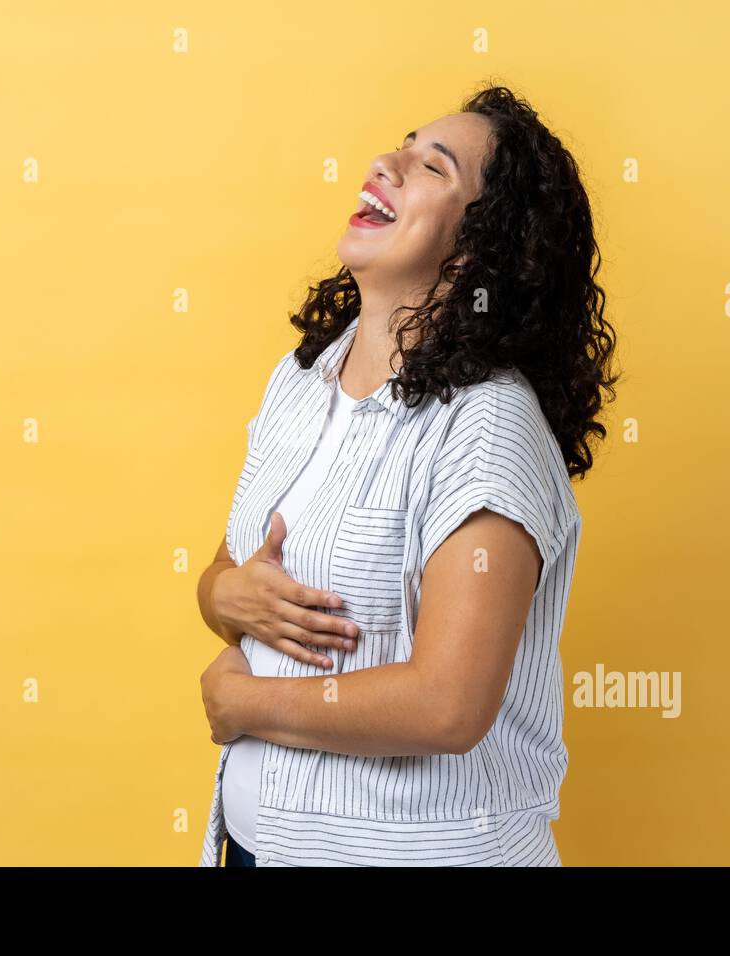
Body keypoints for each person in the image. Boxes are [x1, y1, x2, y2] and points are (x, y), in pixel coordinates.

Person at [195, 82, 620, 866]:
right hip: (256, 845)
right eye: (402, 144)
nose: (385, 164)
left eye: (432, 166)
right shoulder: (304, 376)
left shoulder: (487, 426)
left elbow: (449, 704)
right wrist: (219, 595)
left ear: (477, 248)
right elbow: (237, 570)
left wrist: (246, 702)